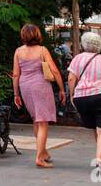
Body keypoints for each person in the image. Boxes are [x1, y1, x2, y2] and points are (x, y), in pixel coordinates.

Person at [12, 24, 66, 168]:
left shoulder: (18, 51)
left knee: (37, 120)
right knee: (43, 122)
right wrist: (62, 89)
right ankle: (39, 158)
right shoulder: (42, 50)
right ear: (37, 35)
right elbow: (54, 70)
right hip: (40, 86)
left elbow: (16, 74)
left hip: (25, 86)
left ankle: (44, 152)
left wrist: (16, 94)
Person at [68, 31, 101, 171]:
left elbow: (71, 78)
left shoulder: (78, 58)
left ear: (83, 44)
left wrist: (72, 94)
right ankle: (99, 161)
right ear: (99, 46)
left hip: (82, 99)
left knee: (98, 128)